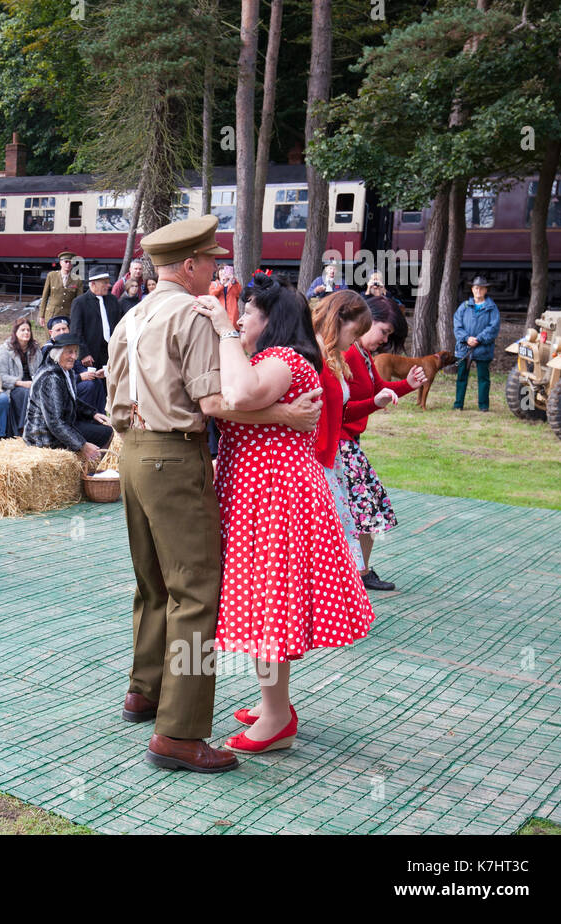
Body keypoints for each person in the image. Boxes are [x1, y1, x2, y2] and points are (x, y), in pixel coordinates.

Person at [105, 216, 321, 774]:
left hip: (130, 451)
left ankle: (144, 691)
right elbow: (217, 402)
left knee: (152, 583)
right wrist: (287, 416)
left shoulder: (131, 316)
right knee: (196, 595)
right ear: (190, 266)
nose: (216, 273)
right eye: (210, 262)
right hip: (174, 458)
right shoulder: (192, 316)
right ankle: (179, 733)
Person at [192, 274, 373, 756]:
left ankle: (276, 718)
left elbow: (241, 398)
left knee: (268, 607)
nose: (242, 318)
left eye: (249, 312)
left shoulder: (284, 361)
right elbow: (220, 402)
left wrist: (225, 333)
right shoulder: (274, 359)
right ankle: (276, 705)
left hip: (274, 499)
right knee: (264, 605)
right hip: (267, 494)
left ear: (271, 321)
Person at [341, 296, 427, 591]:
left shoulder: (361, 354)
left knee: (366, 509)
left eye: (389, 334)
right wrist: (375, 403)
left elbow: (379, 389)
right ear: (366, 321)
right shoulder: (348, 354)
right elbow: (345, 408)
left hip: (349, 443)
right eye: (384, 331)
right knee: (365, 510)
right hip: (341, 445)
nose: (385, 339)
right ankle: (358, 573)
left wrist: (408, 386)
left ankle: (359, 572)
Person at [311, 290, 373, 579]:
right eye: (356, 330)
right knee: (327, 541)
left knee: (335, 540)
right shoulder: (314, 354)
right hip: (316, 459)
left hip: (328, 458)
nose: (357, 338)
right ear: (339, 319)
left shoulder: (331, 355)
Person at [22, 332, 112, 462]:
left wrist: (92, 414)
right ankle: (95, 472)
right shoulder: (50, 378)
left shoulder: (65, 370)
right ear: (57, 353)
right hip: (43, 435)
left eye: (76, 352)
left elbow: (71, 399)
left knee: (103, 428)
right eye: (69, 352)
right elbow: (54, 422)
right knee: (106, 433)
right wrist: (83, 445)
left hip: (61, 426)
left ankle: (93, 469)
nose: (74, 357)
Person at [69, 267, 122, 414]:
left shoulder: (112, 300)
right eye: (104, 282)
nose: (108, 285)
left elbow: (119, 325)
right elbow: (76, 331)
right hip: (90, 354)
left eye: (108, 282)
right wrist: (84, 353)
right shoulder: (80, 303)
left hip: (110, 351)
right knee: (94, 387)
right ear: (93, 284)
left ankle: (111, 416)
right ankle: (94, 416)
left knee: (111, 384)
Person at [453, 276, 500, 412]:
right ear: (472, 289)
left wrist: (479, 339)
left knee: (483, 378)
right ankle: (458, 404)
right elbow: (457, 325)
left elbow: (494, 327)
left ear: (486, 290)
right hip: (464, 348)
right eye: (476, 288)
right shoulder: (464, 306)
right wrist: (466, 338)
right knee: (461, 377)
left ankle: (483, 405)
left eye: (481, 288)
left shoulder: (492, 308)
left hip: (483, 348)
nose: (478, 290)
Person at [0, 317, 41, 437]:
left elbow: (42, 370)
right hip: (13, 388)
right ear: (15, 332)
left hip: (33, 384)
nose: (26, 332)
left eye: (28, 330)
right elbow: (0, 375)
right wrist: (20, 383)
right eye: (22, 330)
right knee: (26, 392)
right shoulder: (4, 349)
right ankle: (23, 429)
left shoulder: (35, 349)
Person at [37, 250, 81, 327]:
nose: (68, 264)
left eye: (70, 262)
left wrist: (78, 318)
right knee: (50, 338)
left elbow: (79, 301)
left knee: (65, 338)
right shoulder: (51, 276)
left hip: (67, 317)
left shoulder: (77, 280)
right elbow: (44, 297)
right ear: (61, 263)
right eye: (66, 262)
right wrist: (41, 315)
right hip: (51, 315)